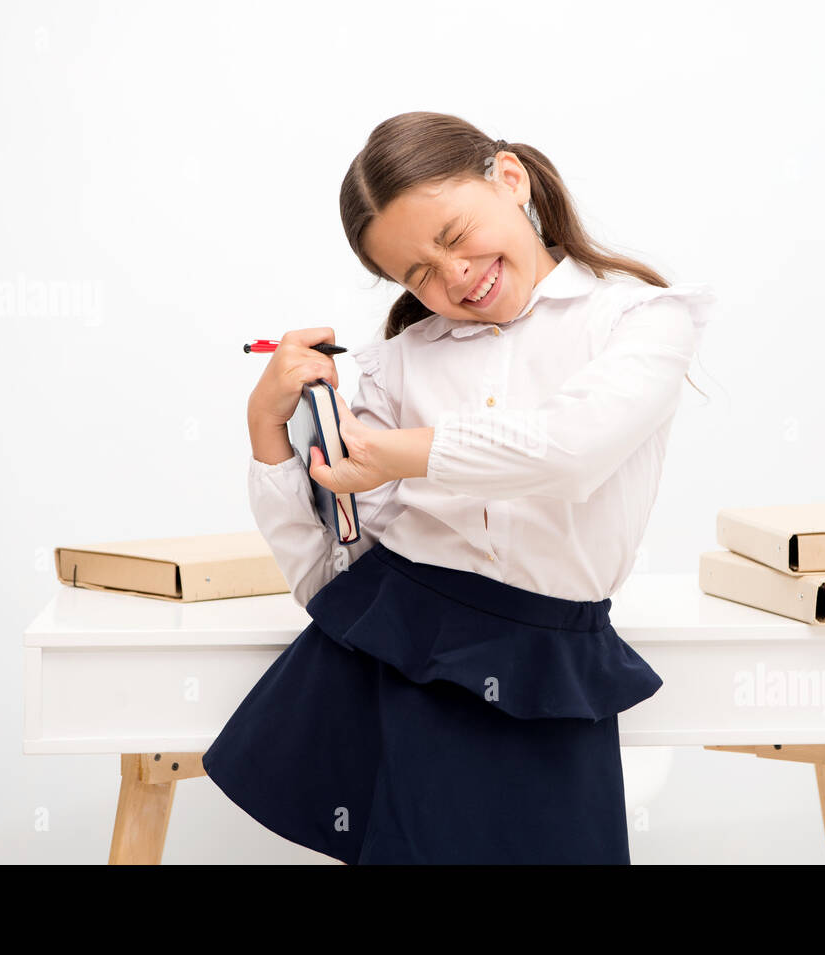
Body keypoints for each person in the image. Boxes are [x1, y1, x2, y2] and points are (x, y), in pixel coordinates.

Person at [202, 111, 716, 864]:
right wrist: (266, 434)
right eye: (417, 274)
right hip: (391, 672)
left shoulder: (641, 322)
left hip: (548, 665)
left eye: (451, 237)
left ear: (510, 180)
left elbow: (570, 451)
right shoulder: (395, 366)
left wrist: (401, 454)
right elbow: (331, 581)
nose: (453, 278)